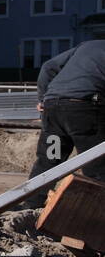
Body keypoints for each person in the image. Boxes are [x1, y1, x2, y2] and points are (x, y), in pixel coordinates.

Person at [28, 35, 105, 187]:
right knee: (97, 164)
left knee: (50, 159)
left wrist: (42, 100)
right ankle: (97, 207)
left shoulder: (86, 45)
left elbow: (48, 67)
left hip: (53, 111)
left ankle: (32, 203)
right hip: (83, 111)